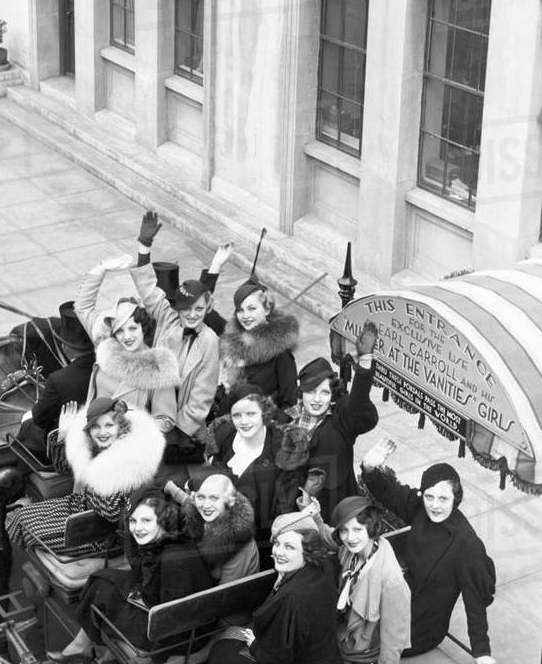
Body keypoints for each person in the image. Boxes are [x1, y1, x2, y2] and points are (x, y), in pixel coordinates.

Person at [205, 508, 344, 664]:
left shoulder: (292, 600)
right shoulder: (323, 568)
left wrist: (254, 646)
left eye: (289, 547)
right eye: (277, 544)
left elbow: (274, 660)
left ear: (307, 550)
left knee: (222, 652)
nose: (278, 552)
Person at [360, 446, 496, 664]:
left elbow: (476, 601)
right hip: (395, 605)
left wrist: (481, 651)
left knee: (356, 650)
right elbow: (389, 491)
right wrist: (369, 467)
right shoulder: (420, 508)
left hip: (420, 630)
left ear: (456, 498)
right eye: (429, 496)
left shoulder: (467, 544)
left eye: (443, 498)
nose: (435, 505)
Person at [50, 487, 212, 663]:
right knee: (102, 580)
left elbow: (173, 620)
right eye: (133, 521)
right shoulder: (164, 542)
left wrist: (154, 658)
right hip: (156, 602)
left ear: (162, 522)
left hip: (180, 638)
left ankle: (91, 647)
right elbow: (138, 570)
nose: (138, 528)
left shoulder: (173, 561)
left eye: (146, 521)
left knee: (104, 597)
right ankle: (84, 645)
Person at [5, 396, 165, 556]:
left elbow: (112, 512)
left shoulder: (130, 461)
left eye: (109, 425)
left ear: (120, 427)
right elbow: (63, 468)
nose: (102, 432)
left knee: (26, 526)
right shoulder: (96, 446)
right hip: (79, 506)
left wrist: (92, 478)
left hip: (99, 535)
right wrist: (63, 435)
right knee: (20, 516)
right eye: (96, 426)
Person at [128, 210, 220, 463]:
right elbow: (147, 288)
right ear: (177, 308)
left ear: (207, 308)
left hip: (181, 434)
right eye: (187, 309)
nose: (192, 315)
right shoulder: (168, 318)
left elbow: (203, 395)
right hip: (151, 413)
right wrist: (144, 247)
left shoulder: (209, 340)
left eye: (199, 309)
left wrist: (172, 429)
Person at [313, 495, 411, 664]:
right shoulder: (354, 551)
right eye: (345, 531)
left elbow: (394, 639)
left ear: (372, 528)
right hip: (344, 636)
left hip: (365, 650)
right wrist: (315, 516)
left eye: (357, 529)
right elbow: (332, 540)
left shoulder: (391, 579)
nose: (350, 537)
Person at [276, 320, 380, 522]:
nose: (316, 400)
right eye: (311, 392)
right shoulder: (285, 420)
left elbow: (357, 403)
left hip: (333, 510)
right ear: (301, 392)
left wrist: (365, 361)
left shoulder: (340, 422)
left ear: (332, 396)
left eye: (324, 393)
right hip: (290, 509)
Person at [74, 253, 180, 432]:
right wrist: (101, 269)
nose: (126, 336)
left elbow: (166, 420)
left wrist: (128, 424)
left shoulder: (158, 368)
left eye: (132, 328)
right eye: (120, 331)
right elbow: (82, 307)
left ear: (143, 327)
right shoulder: (106, 348)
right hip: (93, 434)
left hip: (129, 446)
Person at [200, 242, 300, 411]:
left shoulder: (280, 353)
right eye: (240, 310)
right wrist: (215, 265)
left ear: (266, 309)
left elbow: (290, 403)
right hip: (227, 417)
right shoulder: (233, 337)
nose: (246, 316)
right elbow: (202, 310)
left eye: (252, 308)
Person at [204, 382, 296, 563]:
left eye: (251, 414)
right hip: (222, 537)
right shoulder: (225, 437)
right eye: (237, 415)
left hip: (262, 544)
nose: (244, 422)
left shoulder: (282, 450)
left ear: (264, 412)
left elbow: (284, 508)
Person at [15, 301, 95, 461]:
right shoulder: (111, 366)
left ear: (65, 347)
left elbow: (39, 418)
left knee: (27, 421)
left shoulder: (58, 381)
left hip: (73, 446)